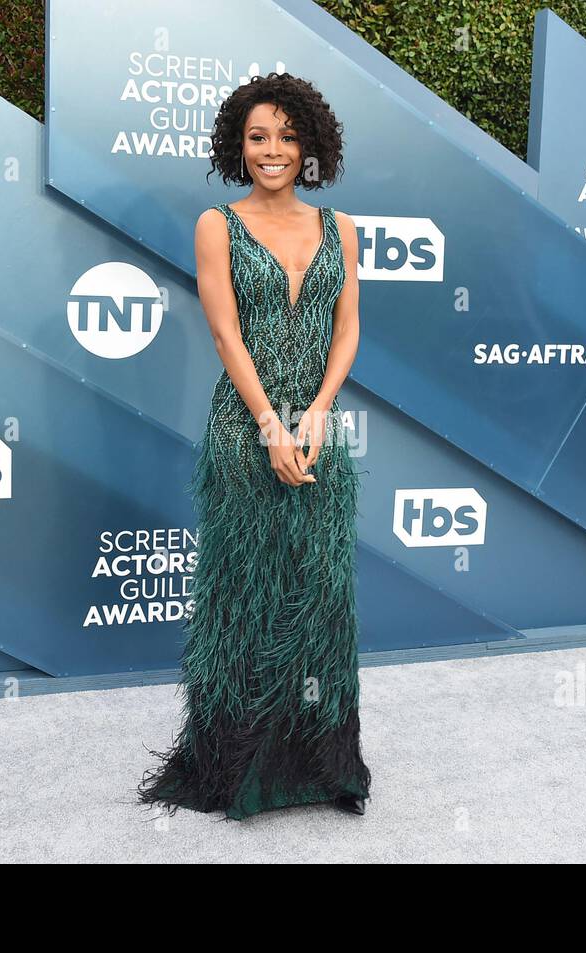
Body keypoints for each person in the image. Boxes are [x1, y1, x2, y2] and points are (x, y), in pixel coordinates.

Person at [137, 72, 371, 820]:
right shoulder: (218, 224)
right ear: (239, 147)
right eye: (258, 137)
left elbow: (348, 326)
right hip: (248, 427)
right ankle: (237, 767)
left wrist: (321, 411)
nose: (273, 150)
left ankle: (322, 764)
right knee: (248, 595)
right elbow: (224, 333)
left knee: (321, 595)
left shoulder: (339, 228)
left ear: (312, 145)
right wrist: (272, 422)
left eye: (288, 135)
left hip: (319, 430)